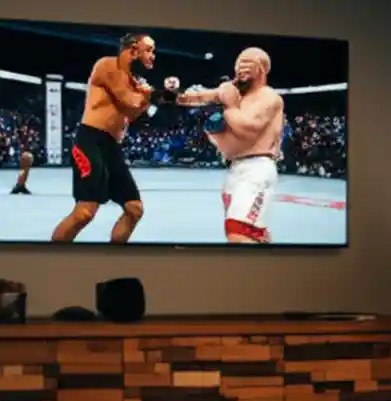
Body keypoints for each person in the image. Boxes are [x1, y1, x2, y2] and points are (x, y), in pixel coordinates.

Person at [51, 32, 156, 244]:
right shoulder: (109, 65)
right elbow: (129, 101)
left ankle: (114, 257)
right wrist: (150, 95)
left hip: (112, 146)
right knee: (84, 212)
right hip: (91, 140)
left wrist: (148, 96)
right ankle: (51, 257)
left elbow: (132, 114)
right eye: (150, 50)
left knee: (134, 209)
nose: (153, 56)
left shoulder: (134, 82)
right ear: (134, 49)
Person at [178, 48, 284, 244]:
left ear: (261, 69)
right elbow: (197, 97)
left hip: (257, 170)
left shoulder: (268, 96)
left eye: (246, 63)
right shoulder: (234, 94)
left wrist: (230, 106)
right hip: (235, 169)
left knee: (238, 232)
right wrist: (172, 95)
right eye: (238, 64)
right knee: (250, 233)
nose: (239, 68)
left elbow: (249, 129)